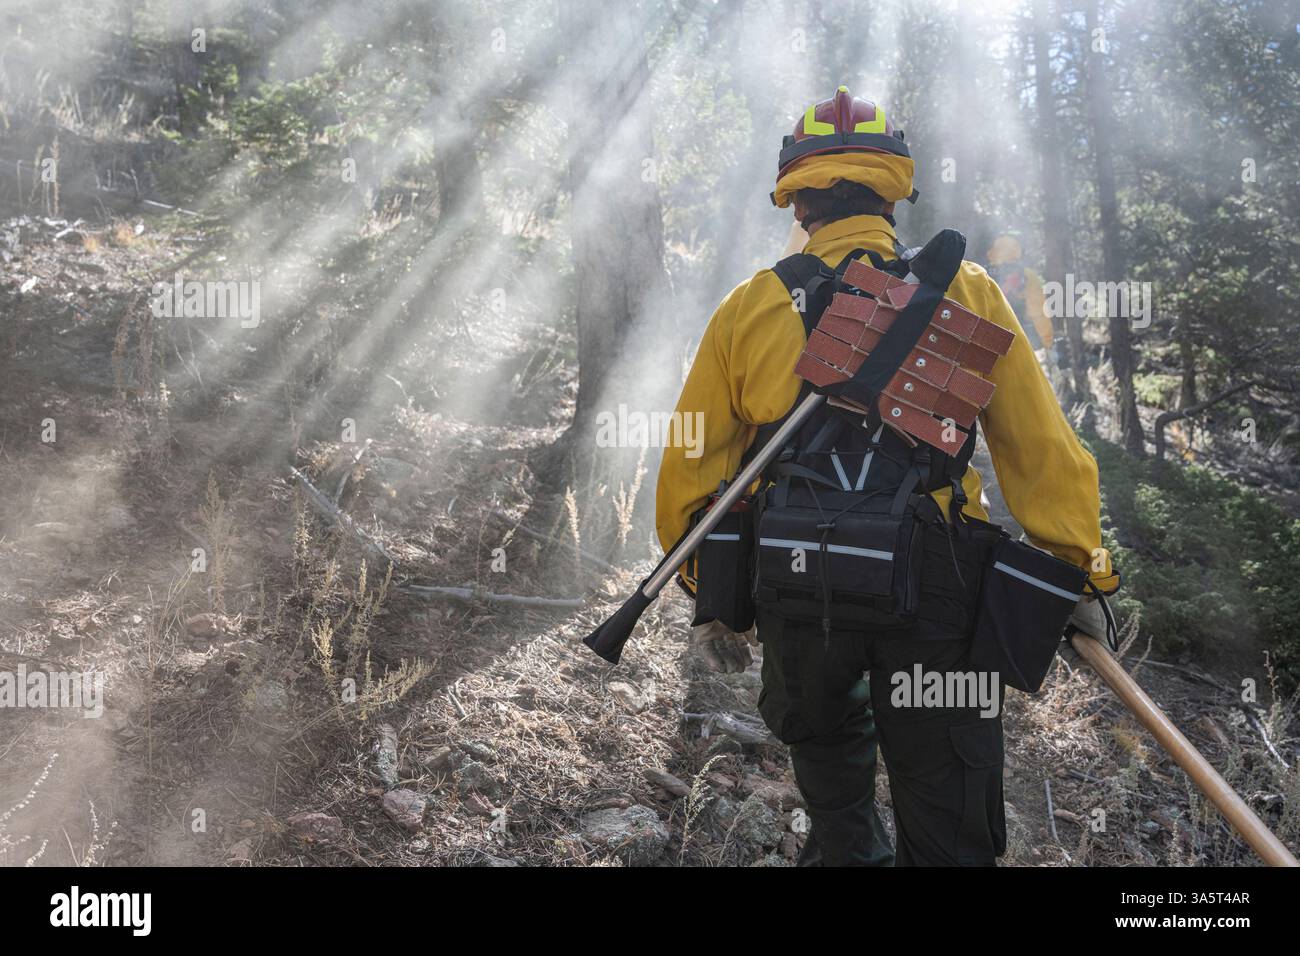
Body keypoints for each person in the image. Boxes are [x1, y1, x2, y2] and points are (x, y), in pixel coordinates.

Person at [655, 87, 1118, 866]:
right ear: (894, 188)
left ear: (796, 201)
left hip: (798, 592)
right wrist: (1080, 573)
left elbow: (692, 460)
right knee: (949, 819)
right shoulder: (967, 291)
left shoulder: (749, 306)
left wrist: (711, 586)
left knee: (835, 802)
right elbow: (1041, 451)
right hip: (937, 600)